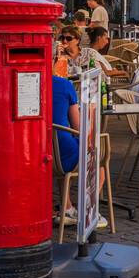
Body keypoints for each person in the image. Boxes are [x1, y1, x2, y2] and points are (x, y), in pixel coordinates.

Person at [50, 72, 107, 230]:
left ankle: (67, 209)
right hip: (62, 151)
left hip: (36, 153)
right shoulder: (64, 85)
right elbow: (79, 127)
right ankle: (87, 211)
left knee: (65, 151)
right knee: (99, 161)